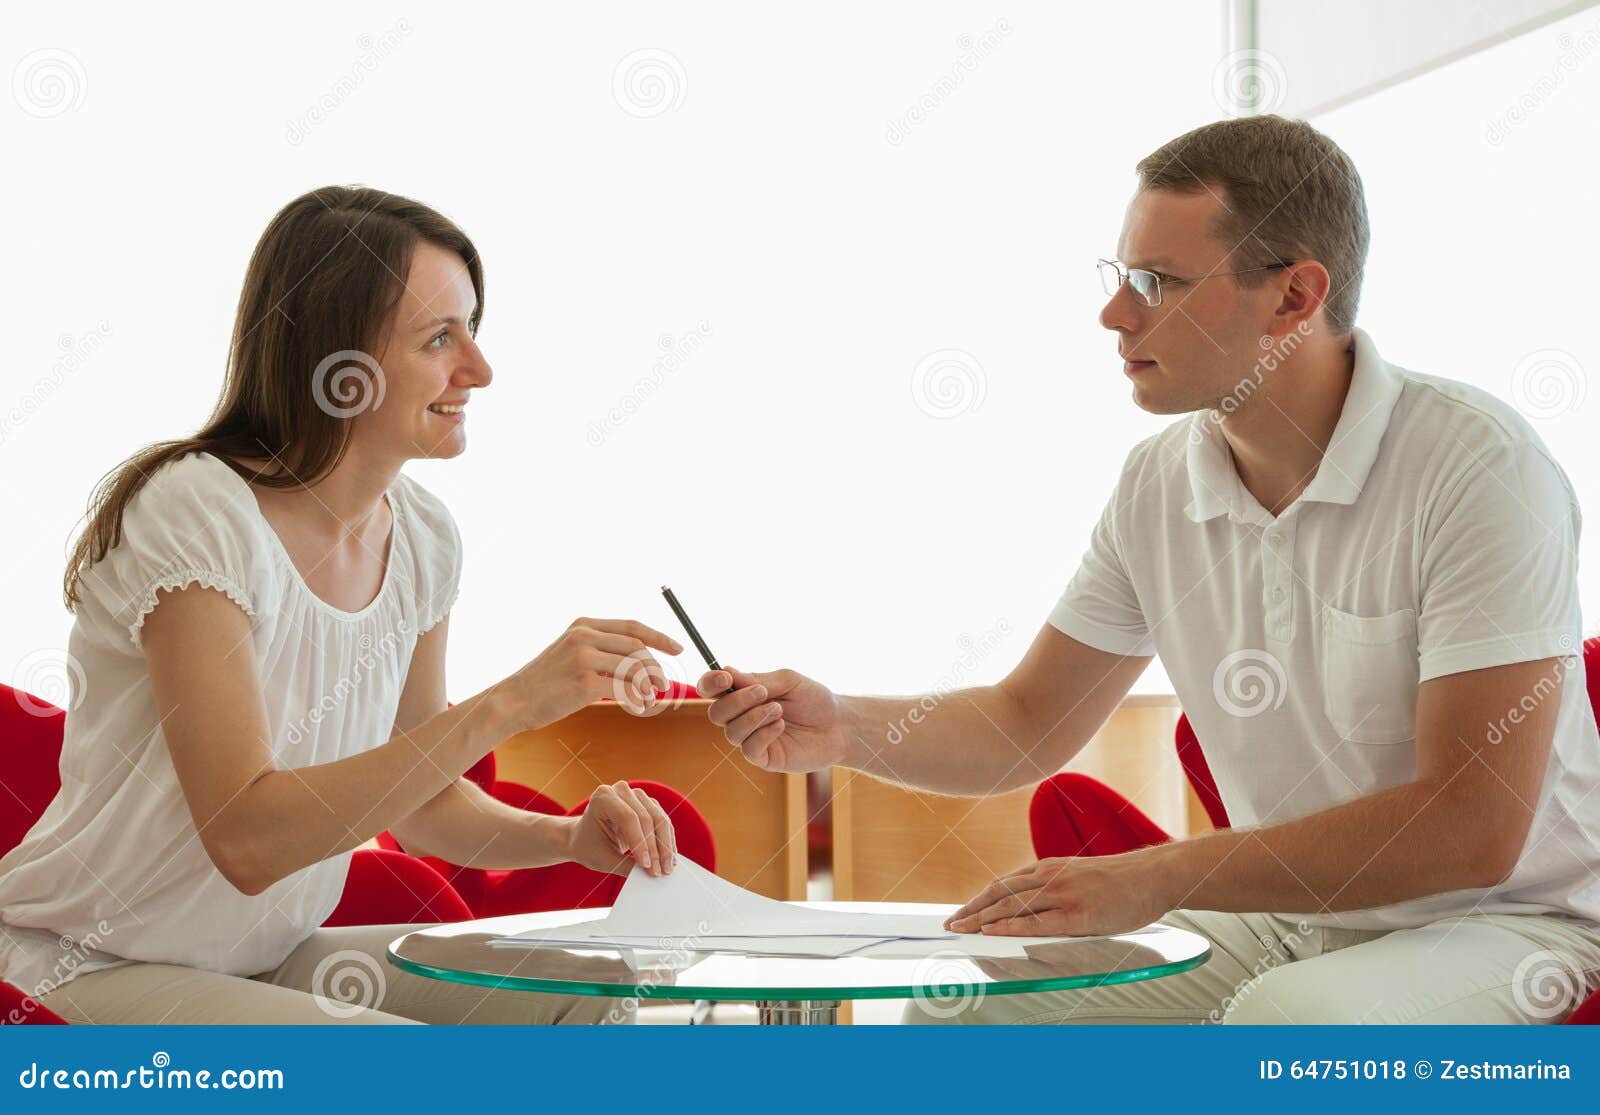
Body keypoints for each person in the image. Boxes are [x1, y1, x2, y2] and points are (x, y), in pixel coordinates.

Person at [697, 115, 1600, 1024]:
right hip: (1295, 917)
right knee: (961, 1004)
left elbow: (1472, 828)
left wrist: (1161, 874)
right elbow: (1026, 722)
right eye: (1122, 277)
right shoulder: (1158, 482)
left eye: (1157, 282)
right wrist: (842, 725)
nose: (1116, 314)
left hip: (1514, 922)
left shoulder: (1478, 467)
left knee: (1290, 1020)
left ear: (1293, 297)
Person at [0, 186, 683, 1024]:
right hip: (85, 965)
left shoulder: (424, 537)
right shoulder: (198, 514)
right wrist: (510, 702)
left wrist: (569, 839)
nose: (479, 369)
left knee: (586, 997)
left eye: (472, 329)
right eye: (439, 338)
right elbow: (246, 839)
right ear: (341, 364)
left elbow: (424, 803)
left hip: (266, 957)